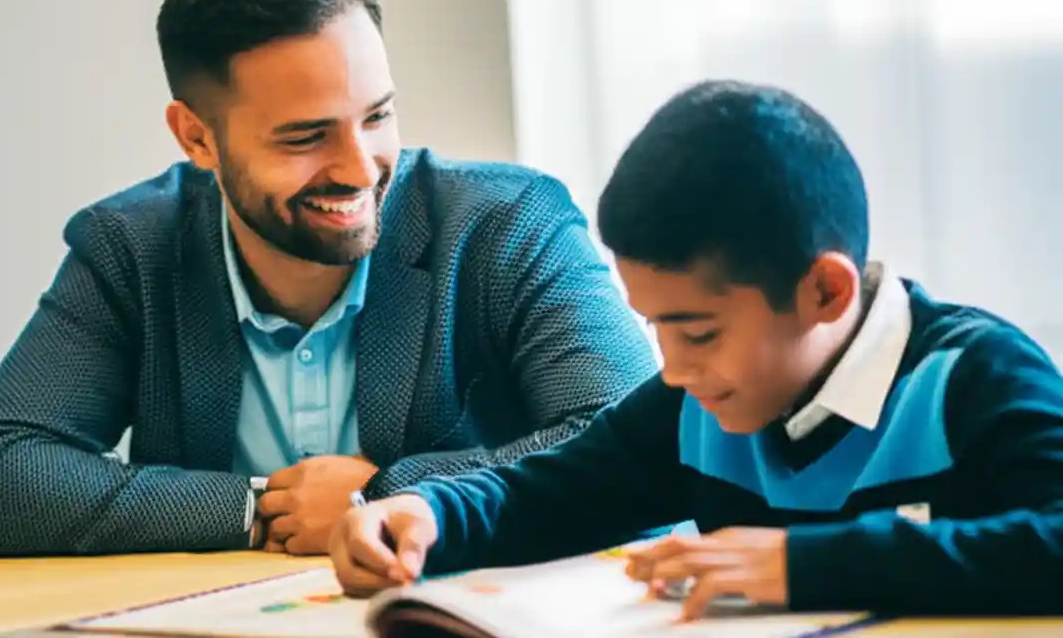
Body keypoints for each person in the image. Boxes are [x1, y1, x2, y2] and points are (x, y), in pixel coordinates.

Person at [0, 0, 657, 558]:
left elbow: (640, 446)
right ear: (196, 137)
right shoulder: (131, 249)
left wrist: (387, 494)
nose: (358, 166)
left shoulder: (509, 226)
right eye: (306, 137)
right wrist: (258, 509)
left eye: (377, 117)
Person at [330, 80, 1063, 618]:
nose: (675, 369)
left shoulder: (977, 378)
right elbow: (548, 494)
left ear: (825, 294)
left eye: (701, 333)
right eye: (657, 329)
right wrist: (428, 514)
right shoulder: (696, 403)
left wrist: (805, 565)